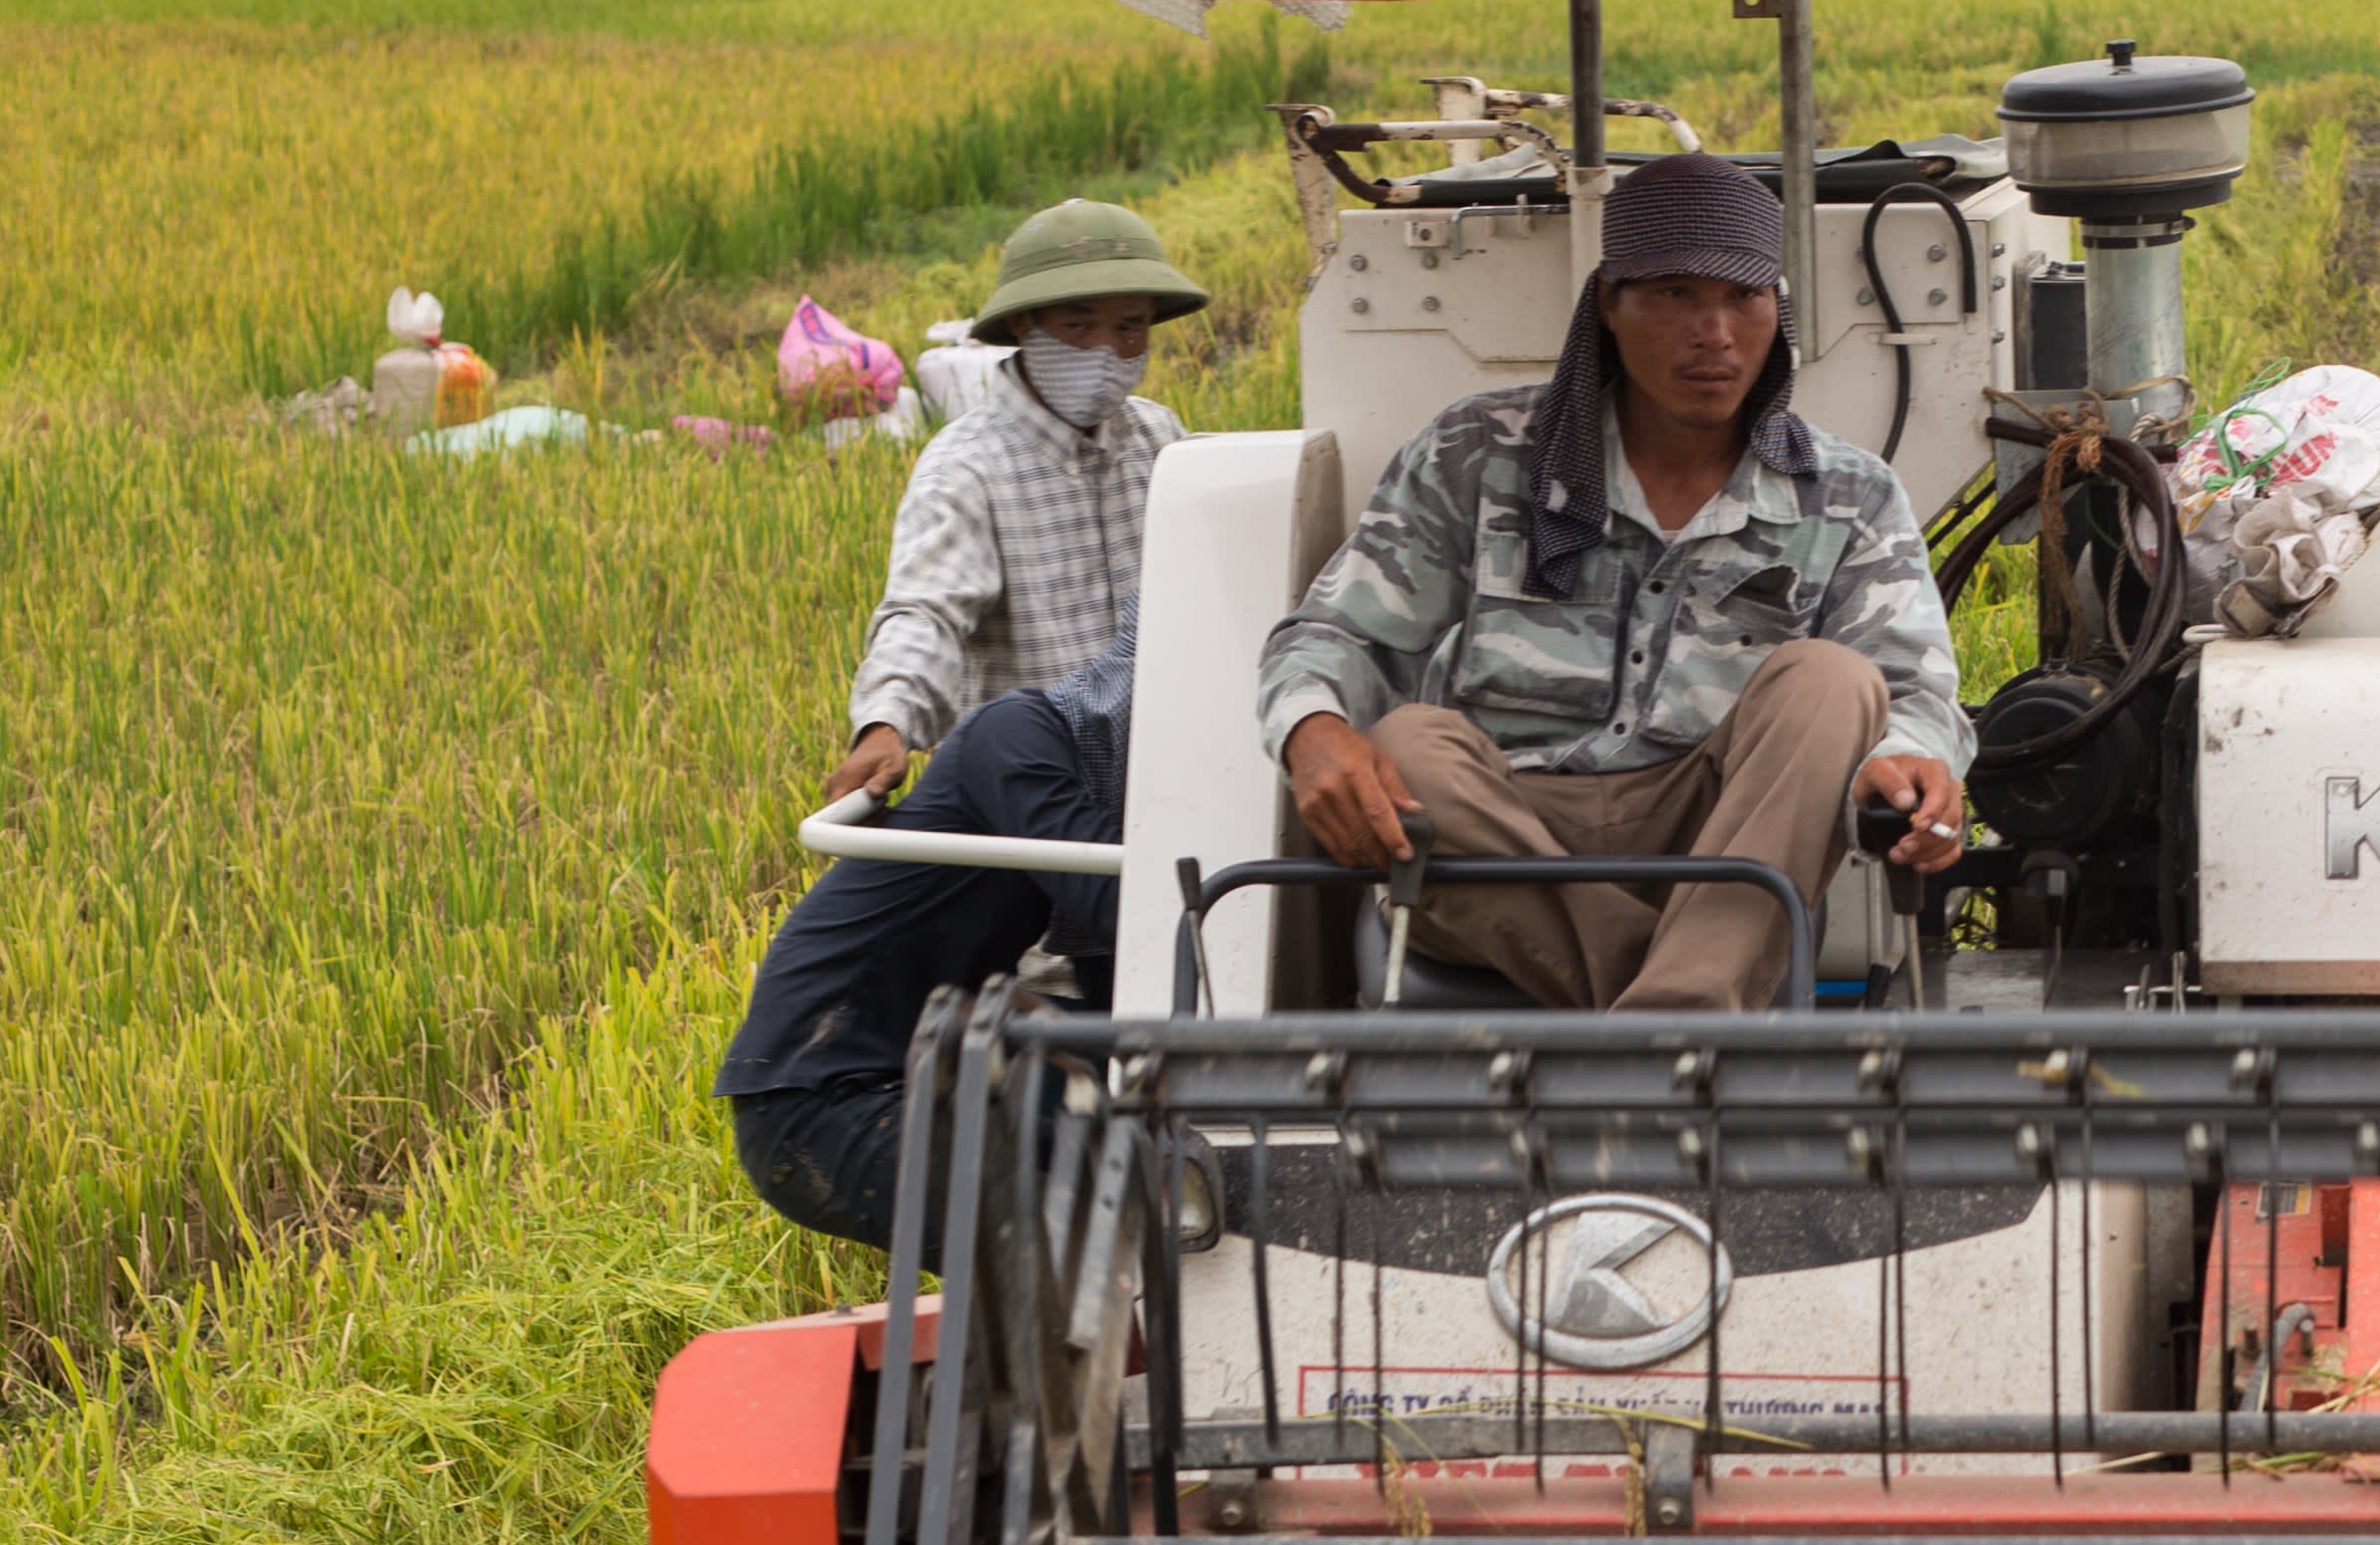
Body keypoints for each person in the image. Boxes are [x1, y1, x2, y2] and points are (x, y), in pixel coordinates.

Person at [1257, 152, 1971, 1012]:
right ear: (1608, 305)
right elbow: (1339, 634)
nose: (1714, 333)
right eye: (1675, 295)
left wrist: (1913, 762)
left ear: (1774, 312)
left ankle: (1659, 1023)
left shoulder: (1846, 492)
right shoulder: (1476, 454)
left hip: (1723, 842)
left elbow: (1911, 686)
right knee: (1408, 743)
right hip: (1502, 834)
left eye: (1743, 298)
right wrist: (1314, 730)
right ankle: (1683, 1018)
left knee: (1834, 681)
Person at [727, 632, 1131, 1250]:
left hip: (915, 1069)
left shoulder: (1064, 773)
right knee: (1102, 1239)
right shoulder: (1012, 741)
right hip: (822, 1098)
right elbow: (1127, 909)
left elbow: (1124, 993)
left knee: (1129, 1116)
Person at [831, 199, 1206, 809]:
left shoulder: (1160, 437)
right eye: (1079, 328)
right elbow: (928, 611)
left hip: (1162, 774)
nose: (1109, 351)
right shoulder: (969, 467)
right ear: (1023, 327)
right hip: (1034, 794)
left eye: (1131, 327)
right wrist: (887, 722)